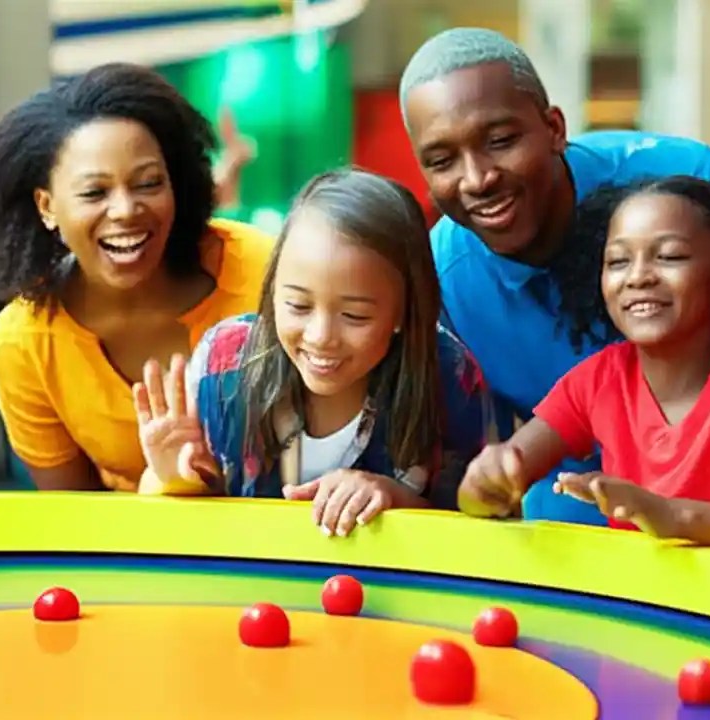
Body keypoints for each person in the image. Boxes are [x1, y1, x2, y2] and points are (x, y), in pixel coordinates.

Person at [398, 27, 710, 525]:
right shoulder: (451, 281)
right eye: (442, 160)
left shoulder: (685, 188)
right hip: (606, 559)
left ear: (555, 128)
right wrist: (491, 478)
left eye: (500, 141)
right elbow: (489, 470)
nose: (477, 179)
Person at [457, 176, 710, 546]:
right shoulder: (598, 380)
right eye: (618, 261)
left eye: (669, 256)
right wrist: (486, 480)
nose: (638, 277)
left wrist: (673, 516)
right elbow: (492, 484)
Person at [133, 169, 492, 537]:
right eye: (298, 306)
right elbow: (173, 527)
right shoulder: (225, 365)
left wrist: (396, 500)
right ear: (272, 290)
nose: (321, 337)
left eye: (354, 316)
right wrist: (174, 478)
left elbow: (477, 527)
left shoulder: (448, 375)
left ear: (404, 311)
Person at [0, 62, 273, 492]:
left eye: (148, 183)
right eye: (95, 192)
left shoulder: (268, 272)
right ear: (47, 206)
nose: (126, 210)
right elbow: (74, 522)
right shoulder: (24, 342)